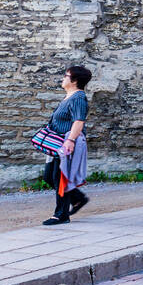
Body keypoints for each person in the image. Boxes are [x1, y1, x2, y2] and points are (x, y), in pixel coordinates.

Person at [42, 65, 92, 226]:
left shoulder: (78, 98)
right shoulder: (69, 97)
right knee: (49, 176)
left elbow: (79, 121)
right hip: (56, 143)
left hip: (66, 143)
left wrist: (70, 141)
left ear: (75, 80)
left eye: (66, 75)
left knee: (59, 178)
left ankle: (61, 215)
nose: (63, 78)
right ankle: (77, 198)